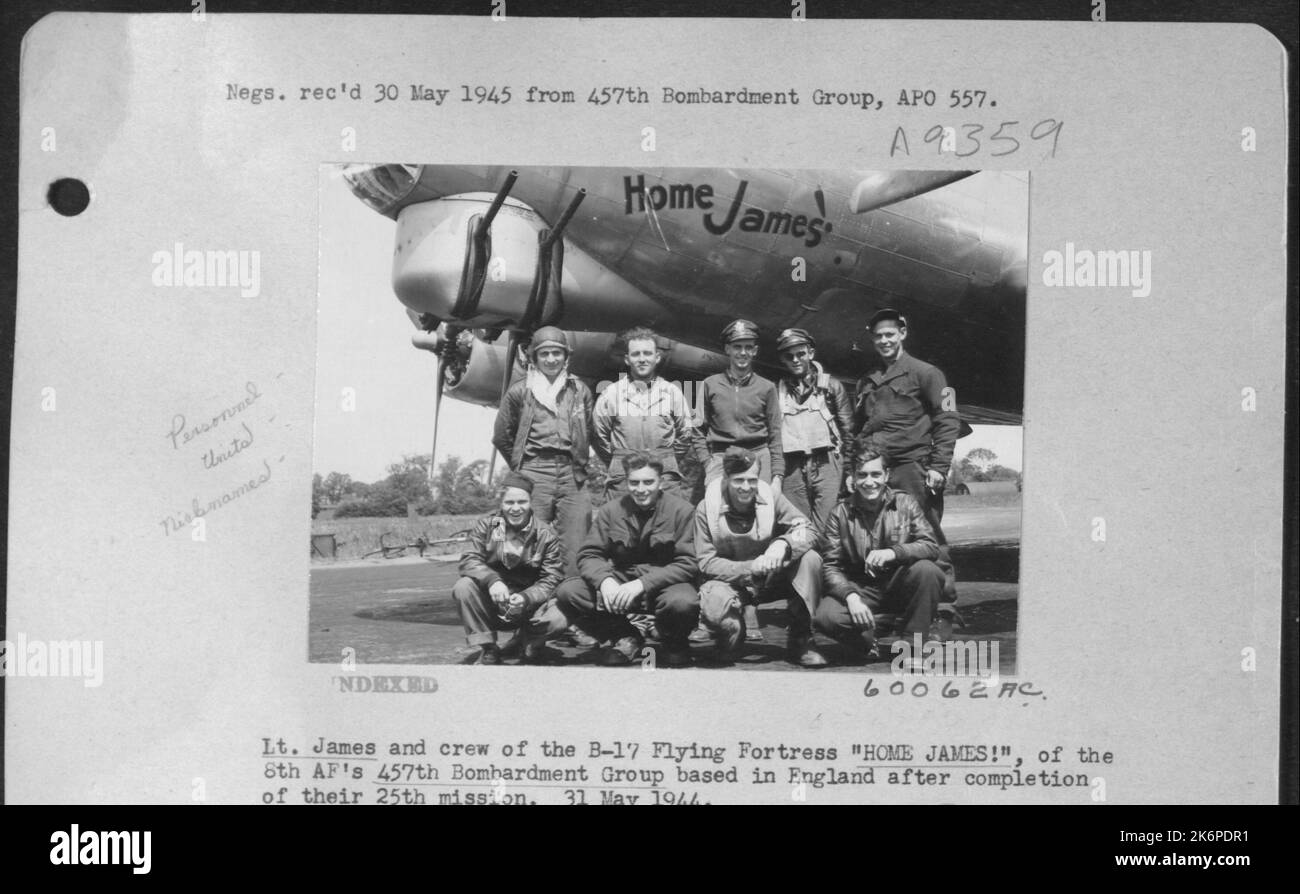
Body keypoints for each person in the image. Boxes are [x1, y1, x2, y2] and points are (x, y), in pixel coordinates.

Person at [556, 452, 699, 668]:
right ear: (626, 482)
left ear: (661, 482)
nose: (641, 490)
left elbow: (688, 562)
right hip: (622, 583)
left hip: (664, 586)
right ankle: (625, 636)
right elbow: (589, 555)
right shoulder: (610, 511)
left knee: (683, 602)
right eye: (634, 483)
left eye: (648, 482)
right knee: (570, 592)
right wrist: (605, 581)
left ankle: (674, 642)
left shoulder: (682, 511)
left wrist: (643, 584)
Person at [814, 443, 954, 663]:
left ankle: (913, 648)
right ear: (853, 478)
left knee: (928, 571)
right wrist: (850, 597)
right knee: (826, 617)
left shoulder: (905, 503)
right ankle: (868, 642)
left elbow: (930, 545)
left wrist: (894, 552)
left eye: (875, 474)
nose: (869, 482)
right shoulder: (839, 513)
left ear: (886, 475)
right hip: (861, 588)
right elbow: (830, 566)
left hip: (900, 583)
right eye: (862, 475)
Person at [695, 447, 828, 667]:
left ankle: (801, 637)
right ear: (726, 478)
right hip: (731, 581)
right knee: (714, 604)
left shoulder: (771, 496)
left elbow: (808, 529)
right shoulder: (706, 508)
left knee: (810, 559)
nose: (746, 487)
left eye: (752, 479)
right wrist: (751, 567)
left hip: (770, 578)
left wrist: (783, 545)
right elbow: (706, 561)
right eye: (738, 480)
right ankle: (732, 634)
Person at [491, 326, 595, 577]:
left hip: (572, 473)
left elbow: (588, 430)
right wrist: (524, 468)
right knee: (526, 540)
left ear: (566, 356)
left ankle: (571, 602)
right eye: (544, 354)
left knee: (577, 542)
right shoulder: (519, 391)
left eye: (556, 353)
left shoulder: (580, 390)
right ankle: (526, 600)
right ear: (534, 358)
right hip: (534, 471)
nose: (551, 359)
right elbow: (502, 436)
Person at [852, 308, 960, 538]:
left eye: (890, 334)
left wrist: (939, 467)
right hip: (878, 470)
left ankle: (938, 573)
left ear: (903, 333)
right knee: (884, 534)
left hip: (911, 468)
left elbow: (948, 418)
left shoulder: (928, 373)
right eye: (879, 336)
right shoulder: (867, 380)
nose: (884, 341)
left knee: (924, 533)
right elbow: (858, 429)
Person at [452, 473, 569, 665]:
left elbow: (552, 579)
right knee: (463, 587)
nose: (516, 509)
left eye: (522, 502)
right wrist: (493, 581)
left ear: (531, 502)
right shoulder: (491, 526)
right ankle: (489, 648)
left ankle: (531, 642)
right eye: (509, 503)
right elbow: (469, 559)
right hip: (495, 602)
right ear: (501, 504)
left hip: (529, 606)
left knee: (560, 616)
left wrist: (526, 598)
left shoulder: (545, 534)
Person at [592, 327, 709, 502]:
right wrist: (620, 459)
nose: (642, 359)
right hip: (623, 476)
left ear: (657, 357)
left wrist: (665, 458)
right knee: (620, 526)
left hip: (664, 475)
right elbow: (599, 435)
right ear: (627, 359)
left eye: (647, 353)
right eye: (636, 354)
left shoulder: (672, 393)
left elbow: (684, 434)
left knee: (667, 524)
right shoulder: (610, 394)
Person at [774, 327, 854, 532]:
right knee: (797, 526)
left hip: (827, 463)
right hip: (792, 467)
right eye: (789, 356)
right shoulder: (778, 391)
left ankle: (827, 564)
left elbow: (848, 433)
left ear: (811, 353)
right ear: (782, 359)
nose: (795, 360)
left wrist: (849, 472)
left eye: (800, 353)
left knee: (828, 526)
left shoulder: (831, 387)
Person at [698, 319, 784, 488]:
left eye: (748, 347)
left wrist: (778, 474)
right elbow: (697, 428)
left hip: (759, 455)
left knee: (763, 508)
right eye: (737, 347)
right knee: (715, 507)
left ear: (755, 351)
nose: (743, 353)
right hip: (722, 456)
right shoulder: (710, 384)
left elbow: (775, 433)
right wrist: (707, 463)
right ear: (727, 349)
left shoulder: (767, 387)